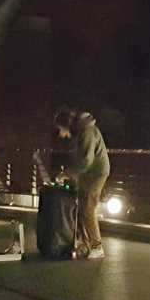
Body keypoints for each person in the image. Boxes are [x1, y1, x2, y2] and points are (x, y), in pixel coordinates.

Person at [54, 109, 109, 260]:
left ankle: (97, 246)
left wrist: (66, 174)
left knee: (88, 209)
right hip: (89, 174)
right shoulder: (82, 132)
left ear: (67, 125)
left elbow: (86, 161)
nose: (61, 135)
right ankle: (86, 243)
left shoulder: (88, 132)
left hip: (97, 173)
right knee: (82, 207)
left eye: (61, 130)